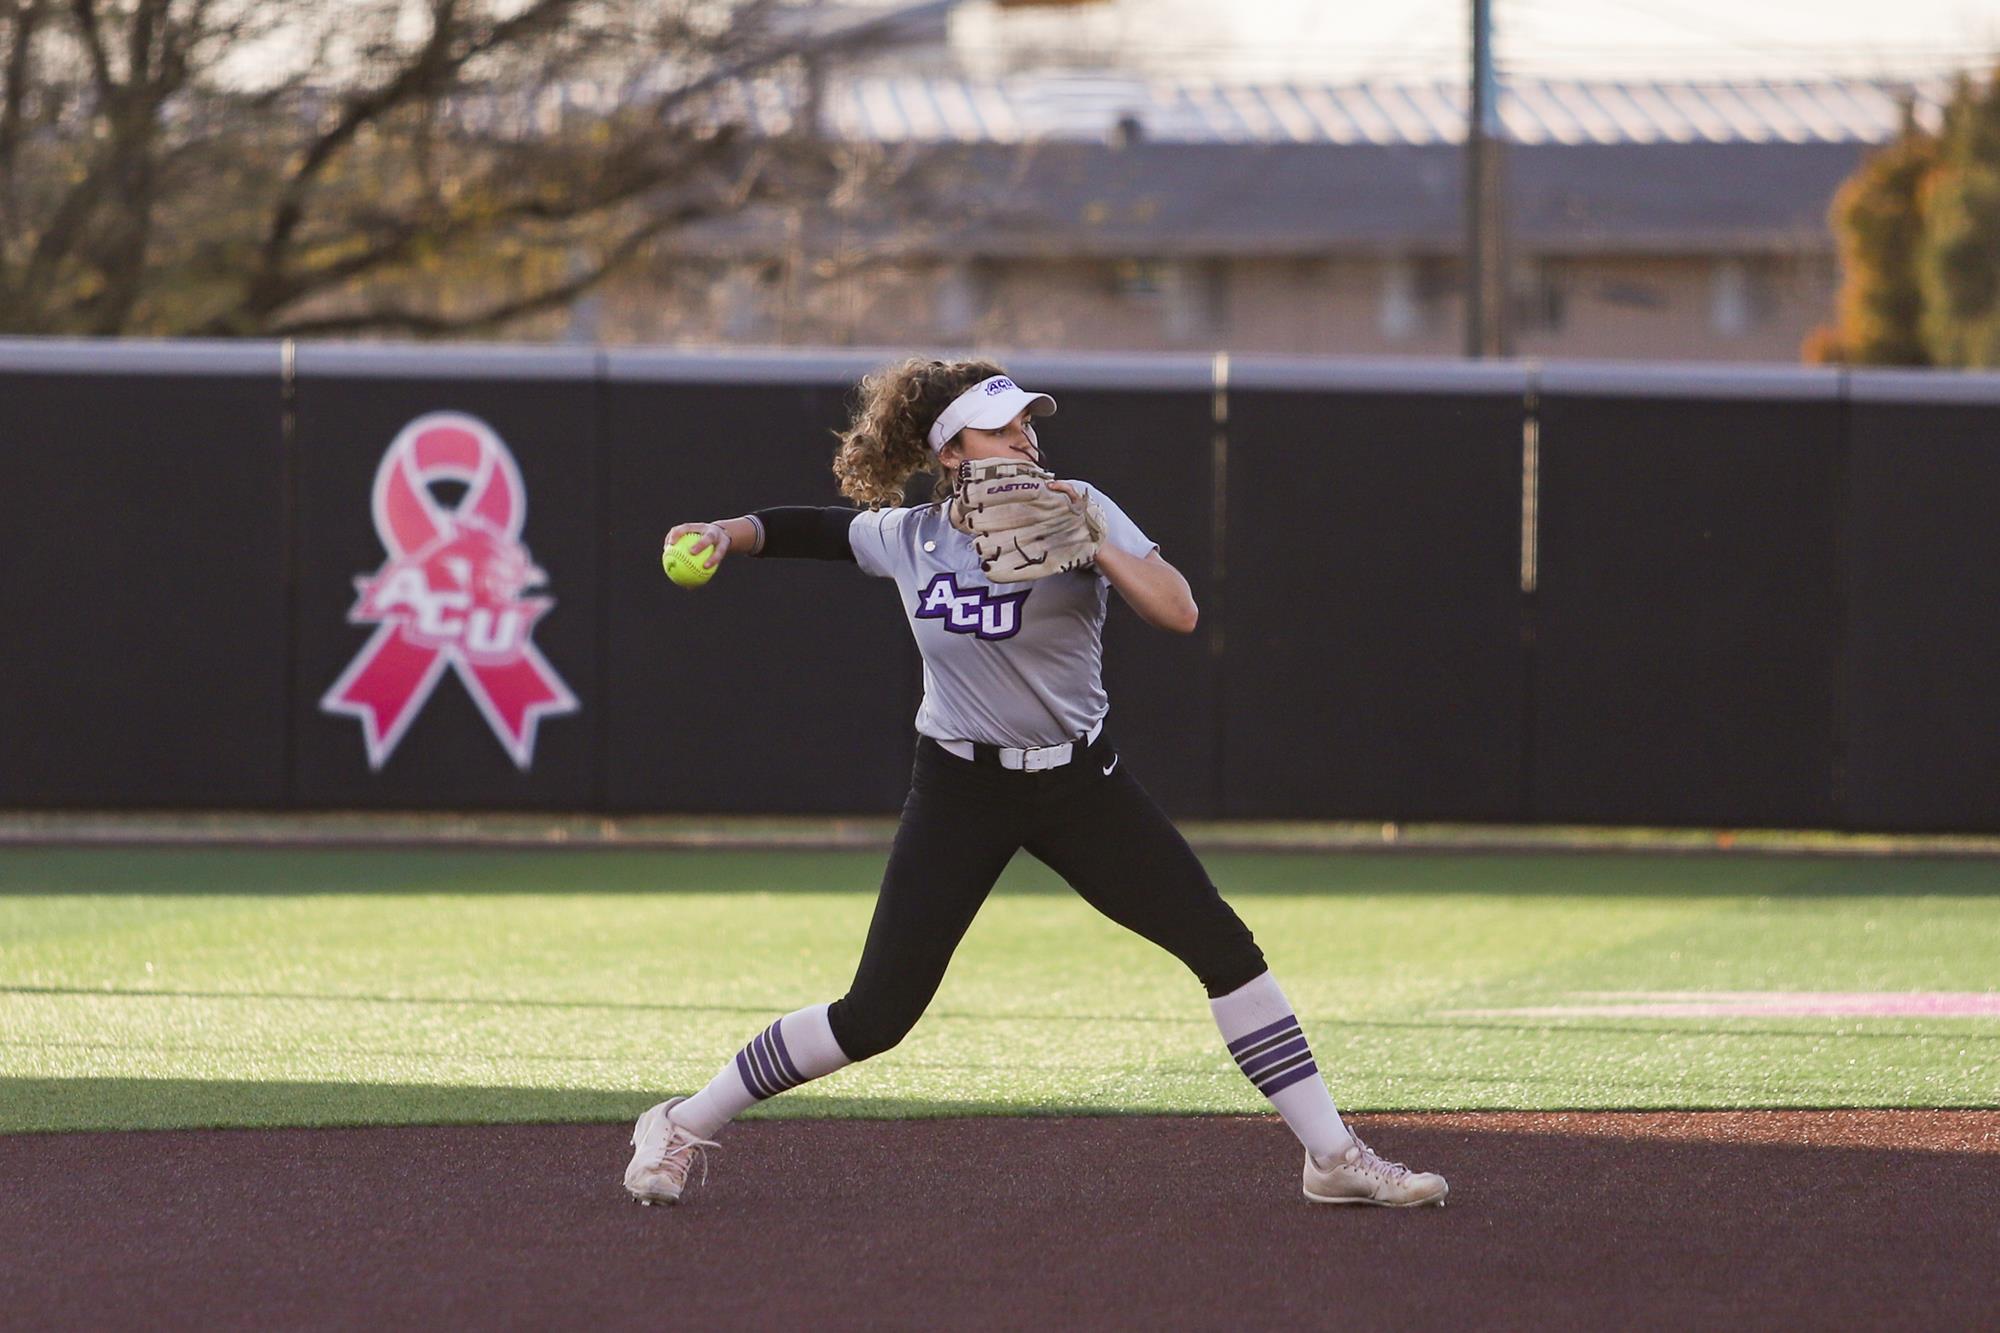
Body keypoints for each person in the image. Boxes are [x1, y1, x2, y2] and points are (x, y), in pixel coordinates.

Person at [628, 357, 1447, 1209]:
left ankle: (1332, 1155)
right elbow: (812, 530)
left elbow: (1179, 611)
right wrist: (722, 532)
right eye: (1001, 427)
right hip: (960, 788)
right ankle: (681, 1121)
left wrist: (1093, 540)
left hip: (1079, 784)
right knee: (875, 1015)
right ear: (951, 451)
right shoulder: (911, 537)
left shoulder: (1079, 504)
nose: (1025, 438)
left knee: (1225, 951)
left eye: (1027, 423)